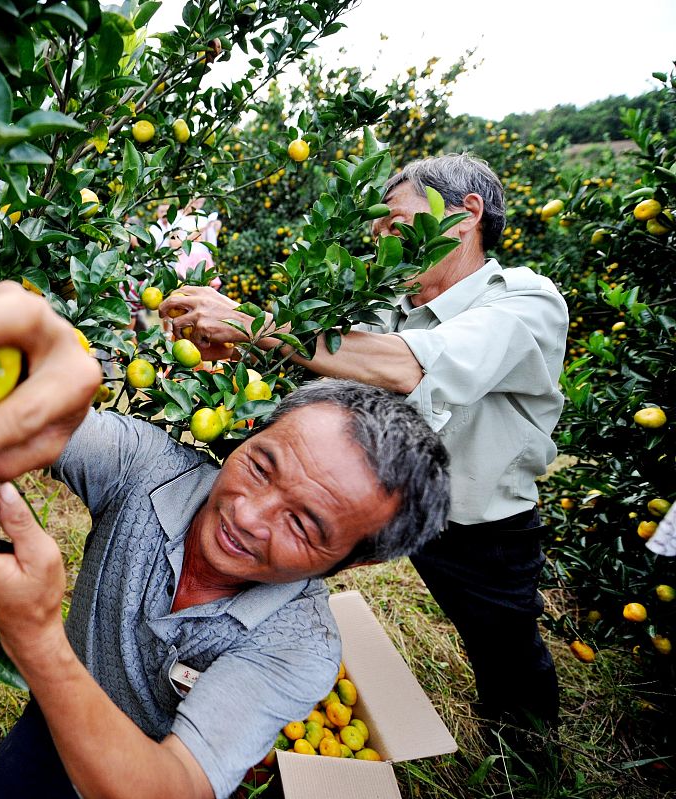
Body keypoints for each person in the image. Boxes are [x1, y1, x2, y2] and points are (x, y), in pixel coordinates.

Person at [0, 283, 451, 799]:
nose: (248, 516)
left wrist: (35, 636)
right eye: (261, 467)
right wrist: (24, 362)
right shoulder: (148, 469)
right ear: (254, 432)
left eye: (303, 525)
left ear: (352, 562)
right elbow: (39, 421)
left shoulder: (299, 645)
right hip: (49, 722)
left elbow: (175, 784)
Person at [158, 153, 570, 731]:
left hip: (479, 525)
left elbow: (409, 367)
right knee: (273, 574)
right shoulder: (388, 306)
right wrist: (243, 355)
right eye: (377, 231)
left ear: (466, 214)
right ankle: (201, 685)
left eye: (397, 225)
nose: (383, 244)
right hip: (368, 503)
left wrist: (252, 323)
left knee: (503, 644)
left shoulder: (525, 302)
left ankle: (524, 749)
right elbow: (335, 370)